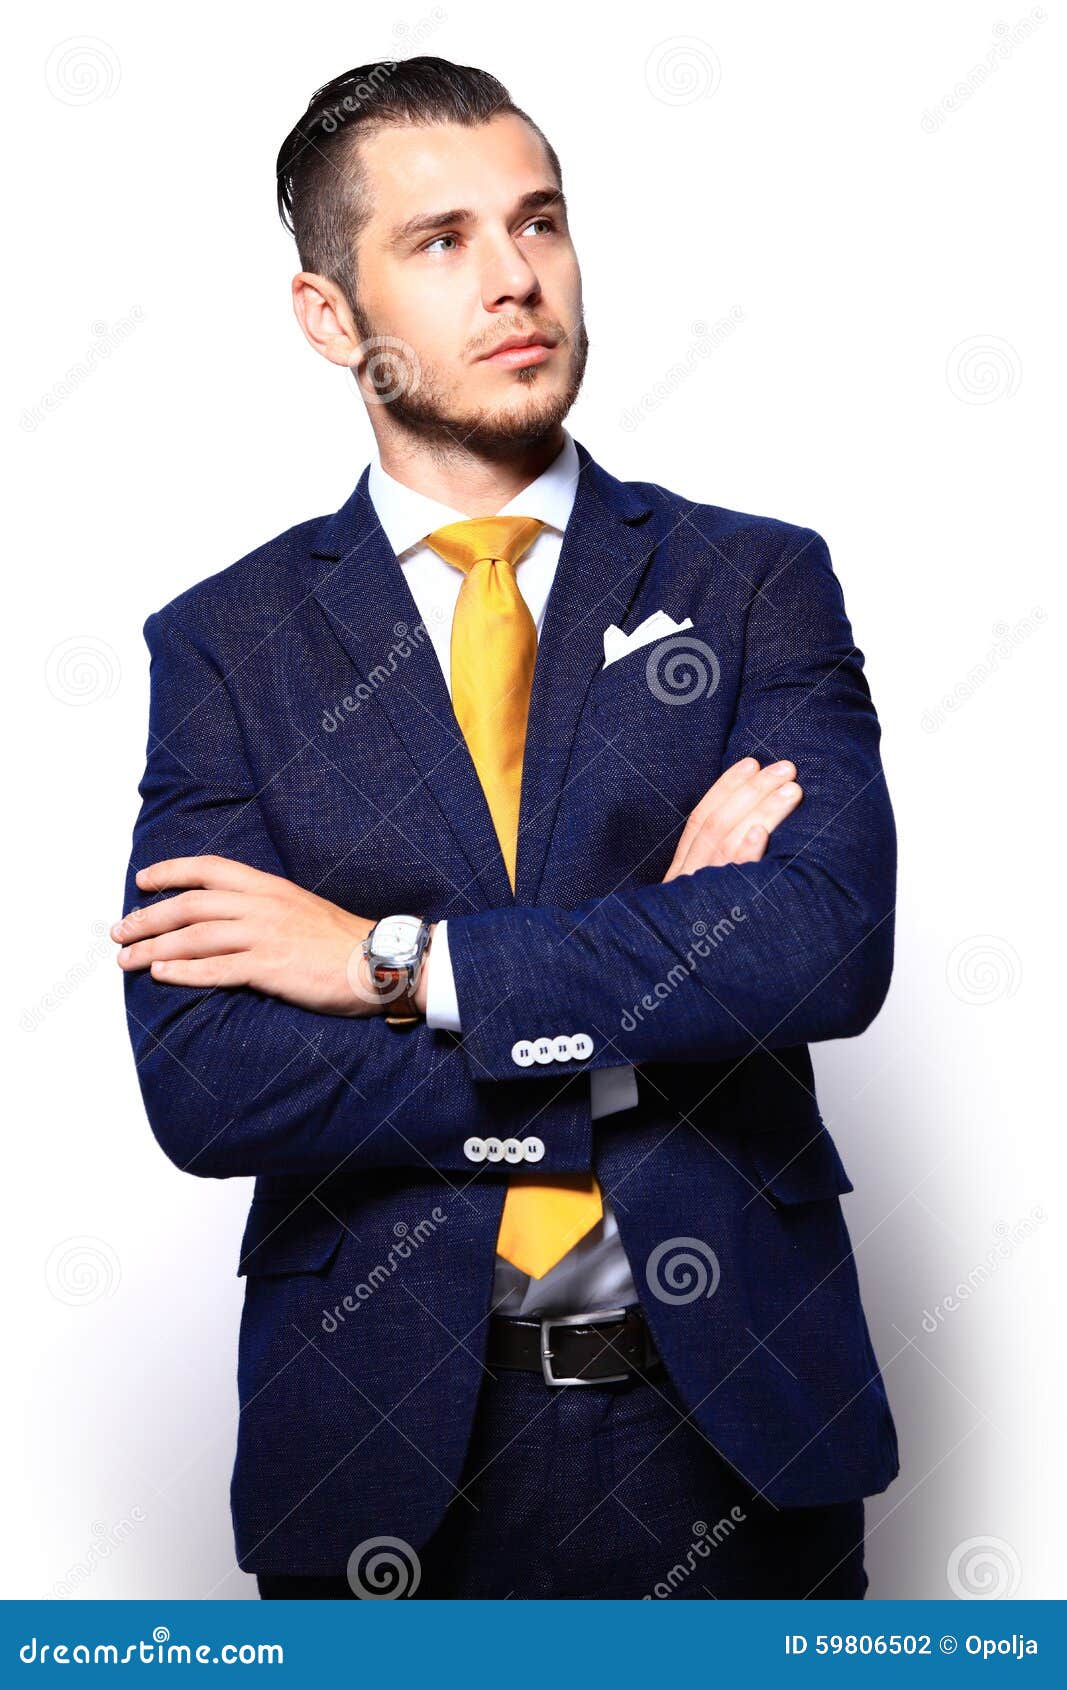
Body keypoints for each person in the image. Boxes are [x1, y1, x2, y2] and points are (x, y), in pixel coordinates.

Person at [115, 55, 898, 1600]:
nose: (516, 276)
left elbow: (824, 945)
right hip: (380, 1451)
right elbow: (204, 1081)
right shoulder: (228, 643)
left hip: (741, 1434)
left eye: (539, 222)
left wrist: (388, 961)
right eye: (441, 240)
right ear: (329, 316)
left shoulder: (753, 584)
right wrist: (644, 985)